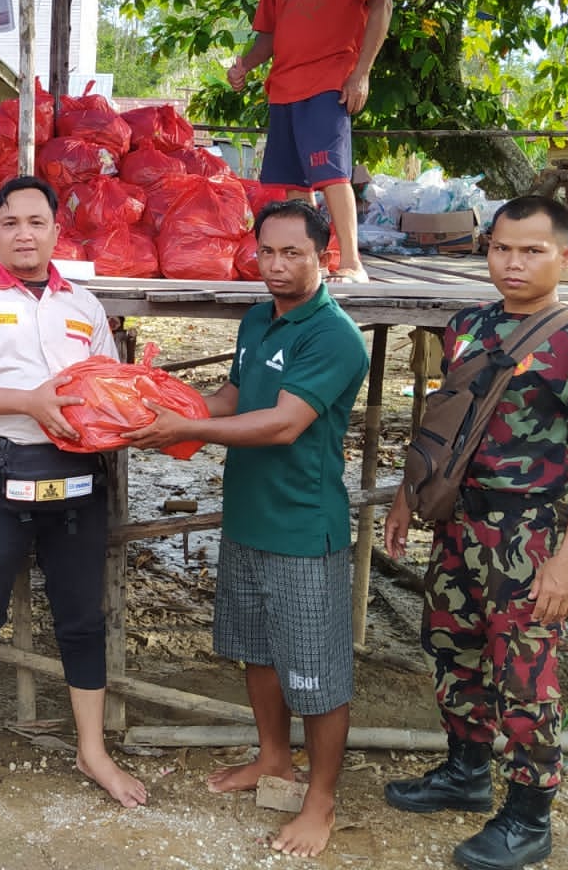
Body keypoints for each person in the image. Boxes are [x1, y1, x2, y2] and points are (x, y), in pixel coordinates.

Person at [384, 195, 568, 870]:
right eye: (501, 248)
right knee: (452, 645)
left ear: (565, 257)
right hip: (459, 517)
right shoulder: (467, 325)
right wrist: (408, 497)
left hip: (527, 530)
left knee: (524, 669)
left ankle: (528, 814)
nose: (513, 263)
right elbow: (445, 418)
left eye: (532, 250)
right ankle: (465, 771)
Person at [126, 199, 368, 857]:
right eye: (268, 252)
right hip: (249, 518)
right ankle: (273, 760)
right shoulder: (259, 318)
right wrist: (161, 415)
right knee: (255, 651)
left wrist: (187, 429)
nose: (279, 265)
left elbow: (285, 422)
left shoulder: (334, 336)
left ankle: (320, 800)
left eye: (295, 253)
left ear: (326, 257)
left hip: (302, 527)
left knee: (316, 674)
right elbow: (235, 400)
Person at [0, 175, 147, 810]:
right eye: (11, 223)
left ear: (55, 230)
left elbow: (105, 388)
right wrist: (31, 403)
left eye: (37, 222)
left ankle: (92, 750)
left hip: (77, 480)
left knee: (81, 619)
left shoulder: (85, 307)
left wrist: (148, 408)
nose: (25, 233)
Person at [226, 0, 392, 284]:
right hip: (283, 86)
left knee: (331, 173)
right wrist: (244, 64)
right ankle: (310, 264)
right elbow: (269, 35)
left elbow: (381, 5)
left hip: (330, 79)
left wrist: (362, 73)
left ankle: (352, 262)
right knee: (295, 185)